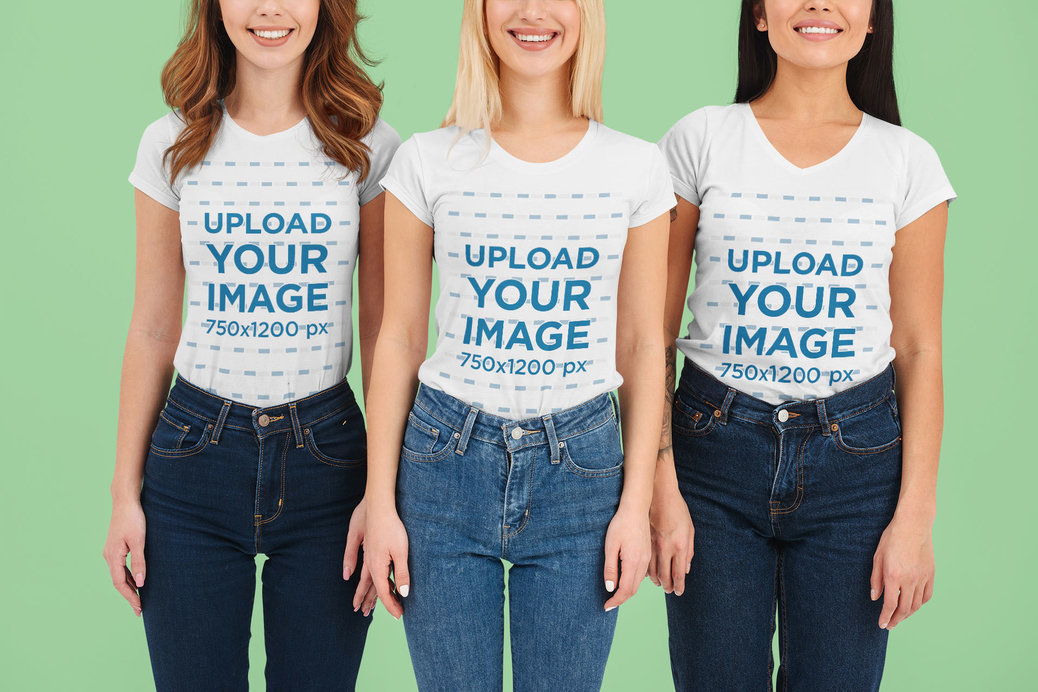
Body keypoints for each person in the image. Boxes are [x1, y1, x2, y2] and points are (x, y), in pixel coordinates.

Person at [360, 0, 674, 689]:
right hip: (444, 464)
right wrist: (379, 500)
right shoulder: (426, 161)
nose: (533, 12)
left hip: (583, 473)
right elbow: (399, 337)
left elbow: (645, 345)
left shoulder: (637, 167)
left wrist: (636, 503)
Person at [653, 1, 955, 689]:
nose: (819, 3)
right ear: (759, 15)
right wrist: (657, 486)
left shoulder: (907, 161)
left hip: (856, 468)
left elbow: (920, 350)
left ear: (873, 19)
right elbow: (648, 338)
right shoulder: (700, 140)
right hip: (712, 456)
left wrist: (914, 520)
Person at [101, 1, 399, 688]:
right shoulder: (172, 142)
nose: (270, 9)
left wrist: (384, 493)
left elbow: (386, 333)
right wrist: (124, 494)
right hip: (193, 454)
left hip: (329, 458)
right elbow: (151, 326)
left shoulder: (368, 144)